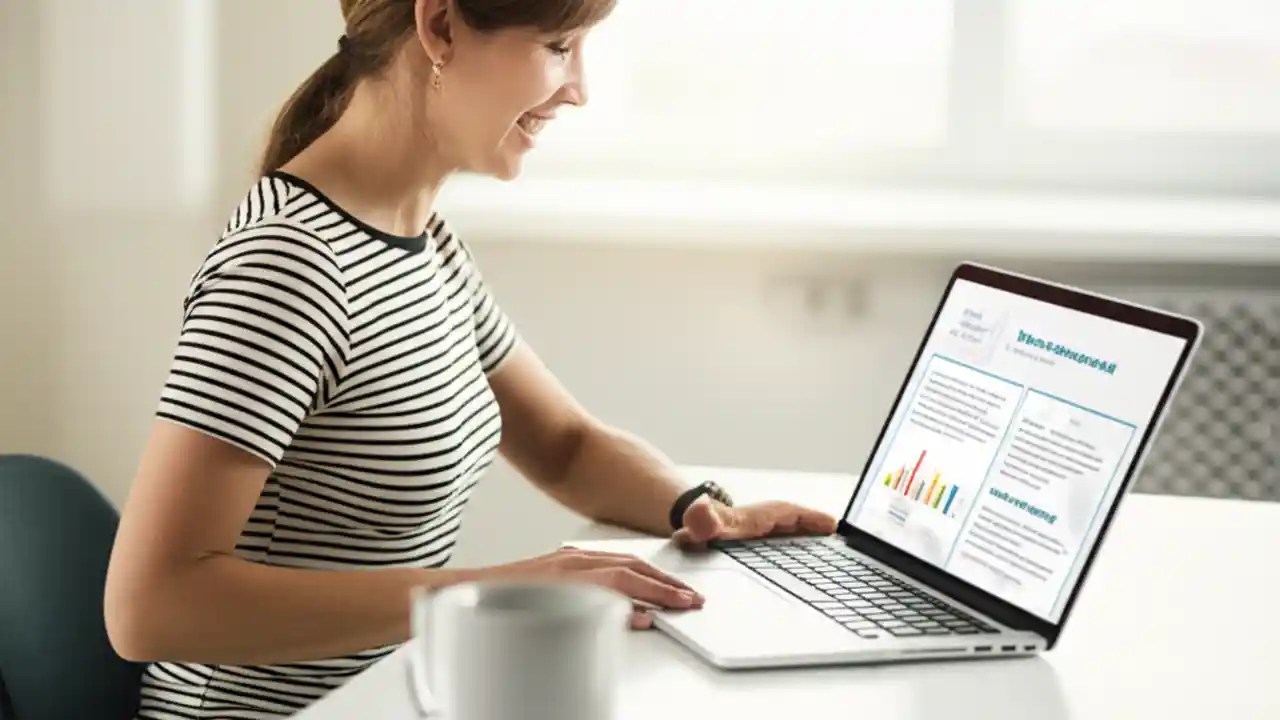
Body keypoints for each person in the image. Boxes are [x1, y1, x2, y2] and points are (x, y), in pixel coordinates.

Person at [104, 0, 837, 717]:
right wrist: (493, 594)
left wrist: (699, 509)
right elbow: (151, 604)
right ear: (441, 26)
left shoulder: (420, 240)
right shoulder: (292, 266)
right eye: (559, 47)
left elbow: (566, 446)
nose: (579, 89)